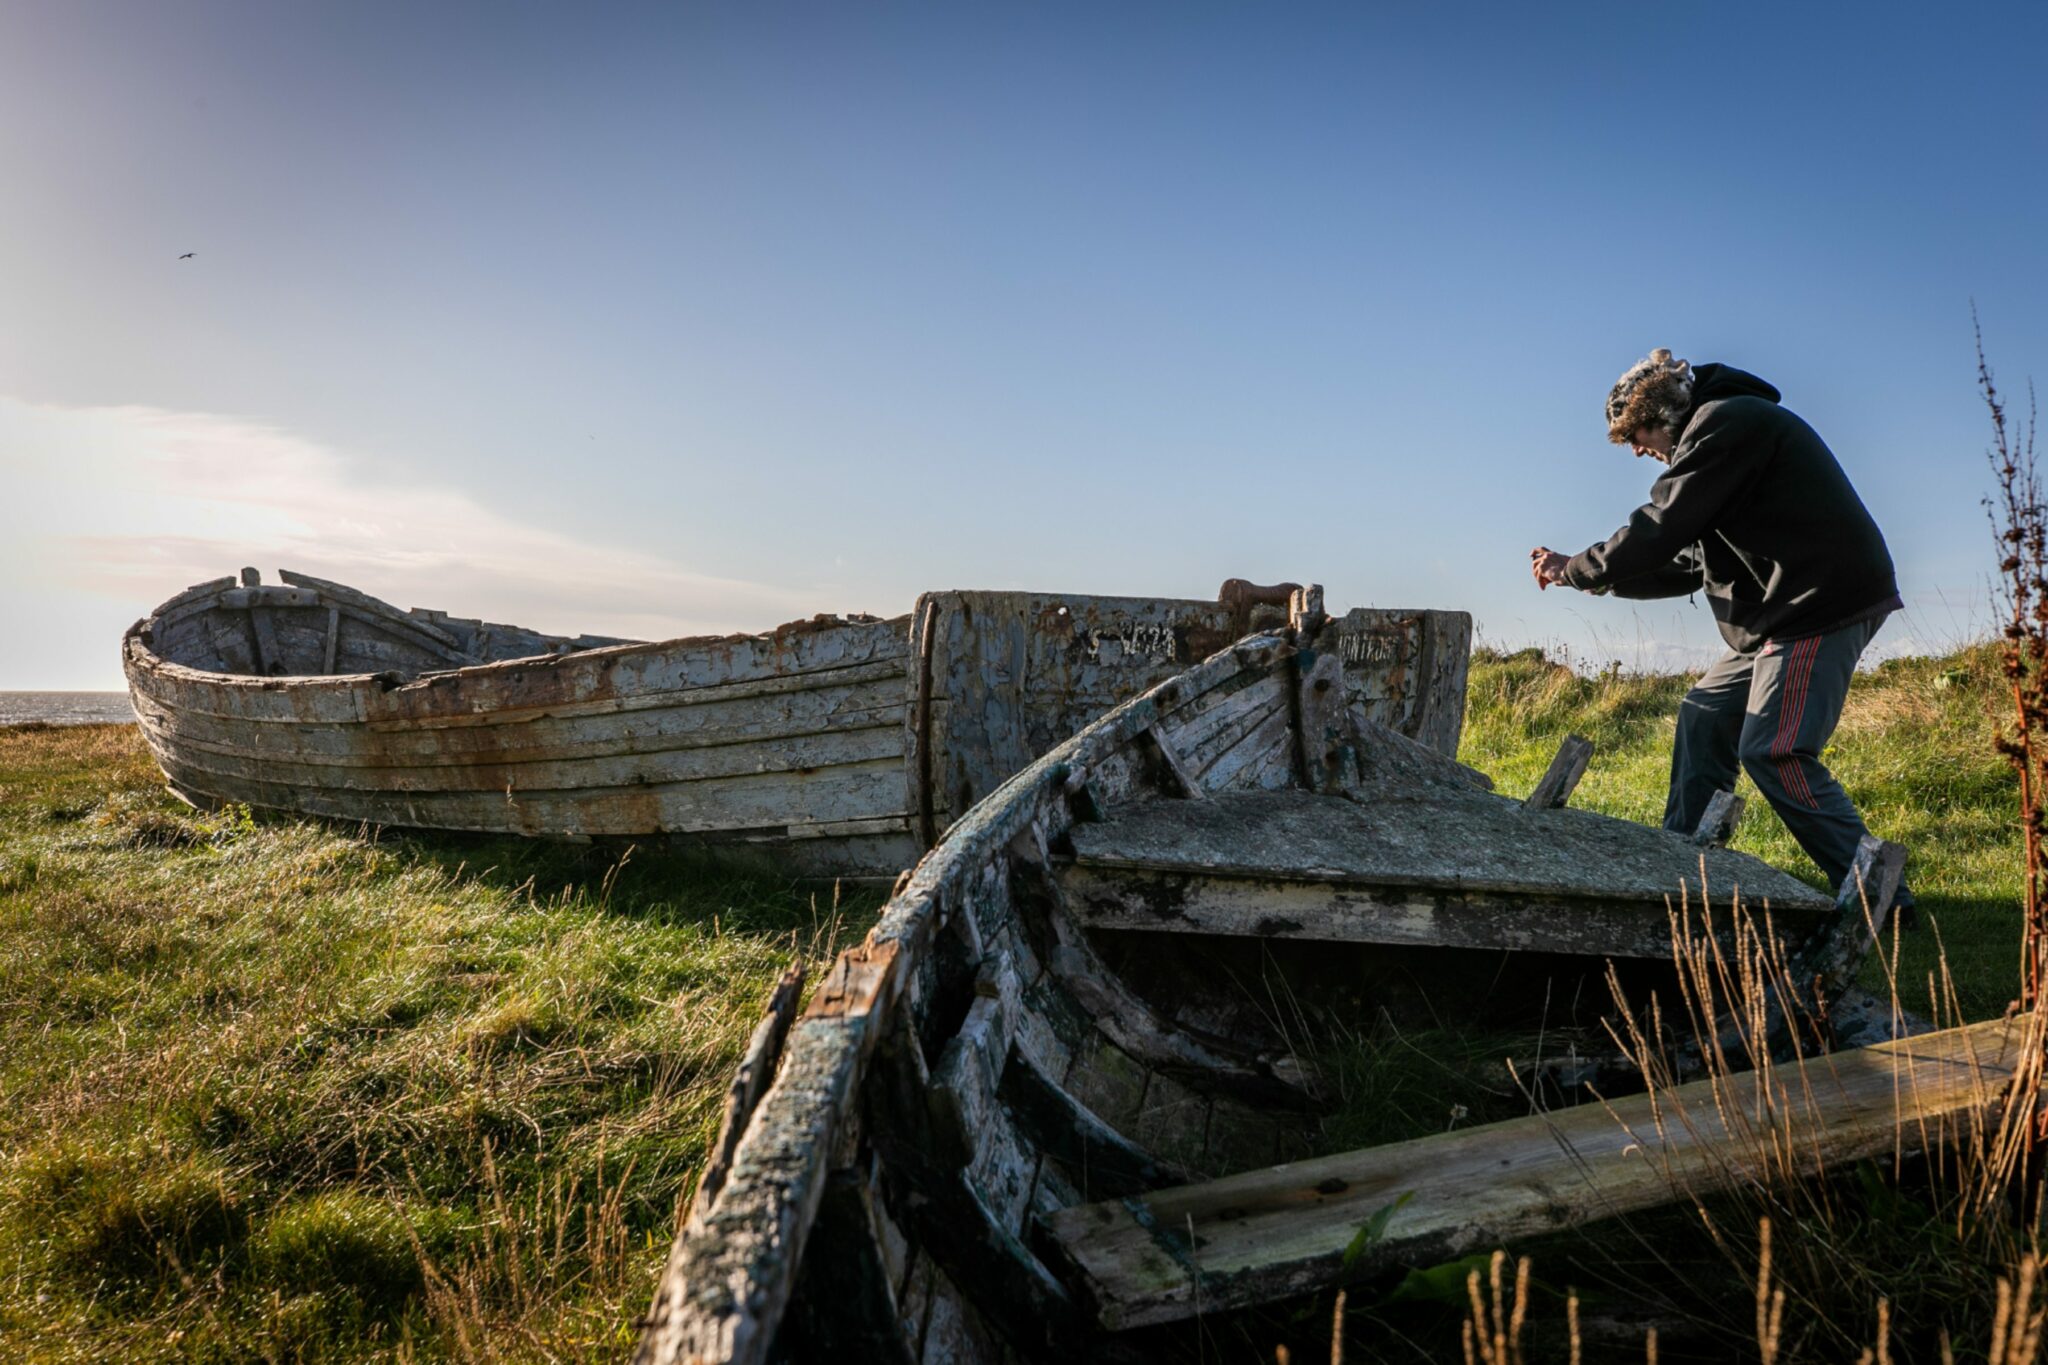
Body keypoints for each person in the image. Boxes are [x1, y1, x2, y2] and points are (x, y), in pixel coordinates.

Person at [1529, 348, 1909, 911]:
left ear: (1662, 414)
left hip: (1817, 605)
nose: (1637, 449)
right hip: (1779, 616)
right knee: (1705, 714)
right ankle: (1683, 866)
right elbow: (1687, 561)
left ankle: (1879, 895)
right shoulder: (1721, 436)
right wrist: (1592, 579)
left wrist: (1577, 565)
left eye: (1636, 434)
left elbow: (1660, 524)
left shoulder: (1726, 422)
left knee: (1776, 749)